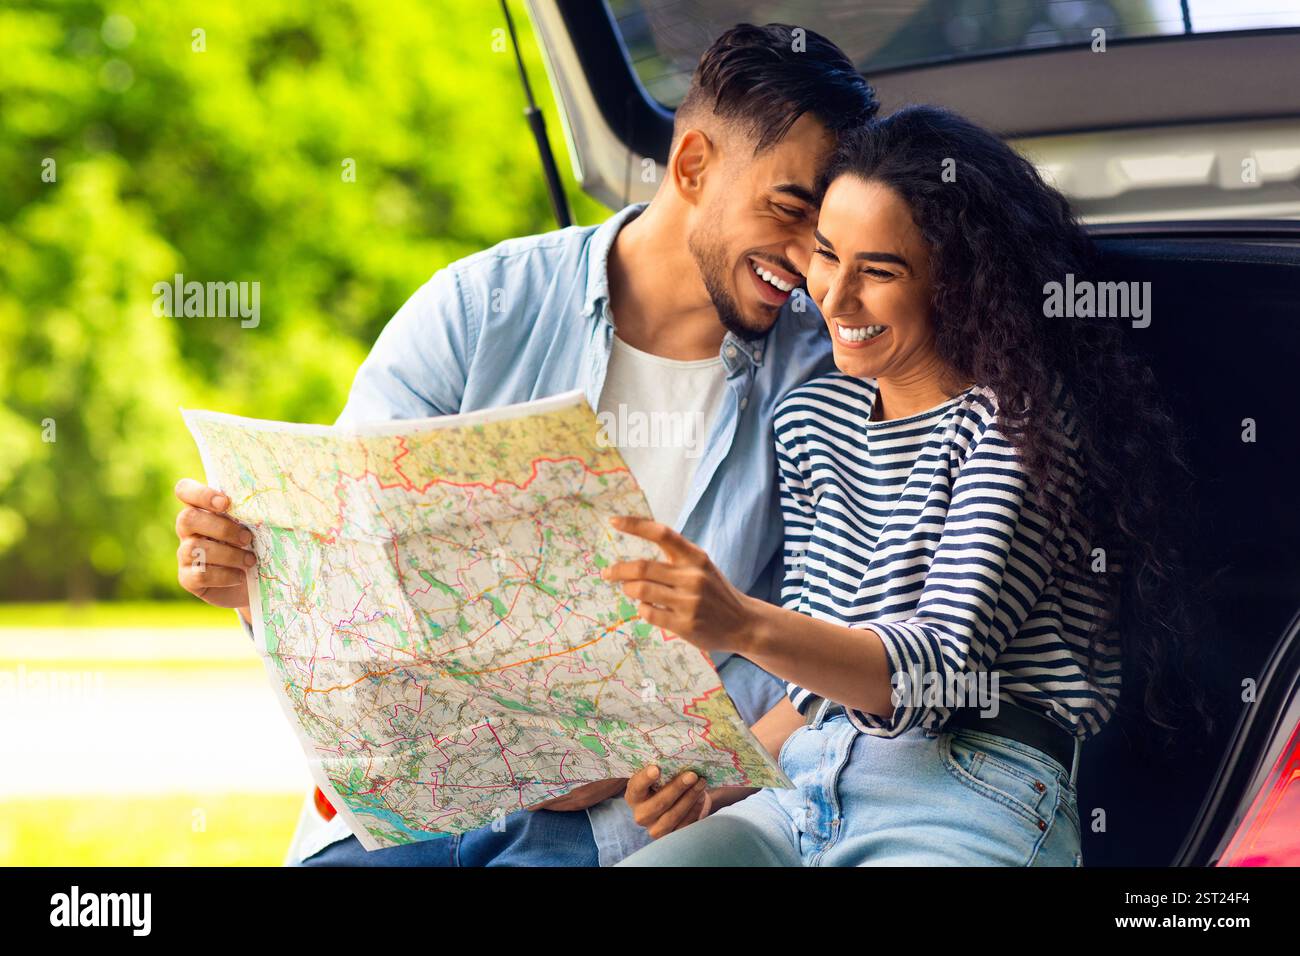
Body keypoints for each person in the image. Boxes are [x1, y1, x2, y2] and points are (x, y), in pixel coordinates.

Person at [170, 23, 878, 866]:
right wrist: (250, 580)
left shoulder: (828, 387)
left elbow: (836, 652)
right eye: (791, 210)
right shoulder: (478, 310)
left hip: (616, 836)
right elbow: (339, 575)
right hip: (409, 816)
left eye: (827, 234)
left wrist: (719, 780)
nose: (810, 262)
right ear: (691, 166)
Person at [610, 105, 1208, 865]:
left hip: (969, 790)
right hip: (798, 792)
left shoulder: (1020, 425)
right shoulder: (811, 420)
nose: (833, 296)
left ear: (960, 283)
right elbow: (818, 694)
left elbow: (935, 678)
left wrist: (740, 622)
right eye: (827, 255)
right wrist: (711, 776)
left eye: (880, 271)